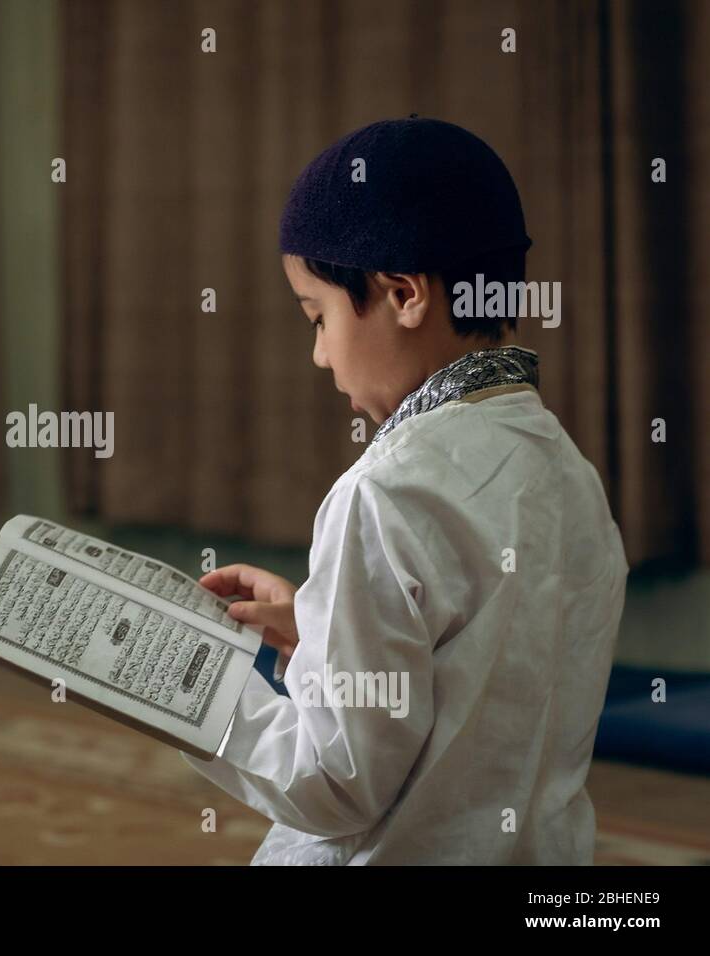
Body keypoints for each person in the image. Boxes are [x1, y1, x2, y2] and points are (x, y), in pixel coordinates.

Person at [180, 117, 629, 864]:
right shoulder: (566, 468)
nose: (320, 355)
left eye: (318, 316)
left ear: (403, 294)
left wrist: (188, 701)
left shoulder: (385, 492)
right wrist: (320, 634)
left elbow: (336, 785)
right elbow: (482, 680)